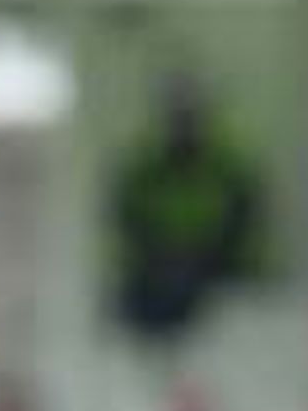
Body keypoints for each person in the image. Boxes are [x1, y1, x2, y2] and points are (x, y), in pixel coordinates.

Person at [109, 70, 268, 341]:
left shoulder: (230, 167)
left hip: (217, 273)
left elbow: (244, 222)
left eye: (191, 114)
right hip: (156, 272)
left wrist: (199, 257)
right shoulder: (143, 168)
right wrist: (165, 257)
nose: (184, 124)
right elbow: (127, 221)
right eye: (177, 114)